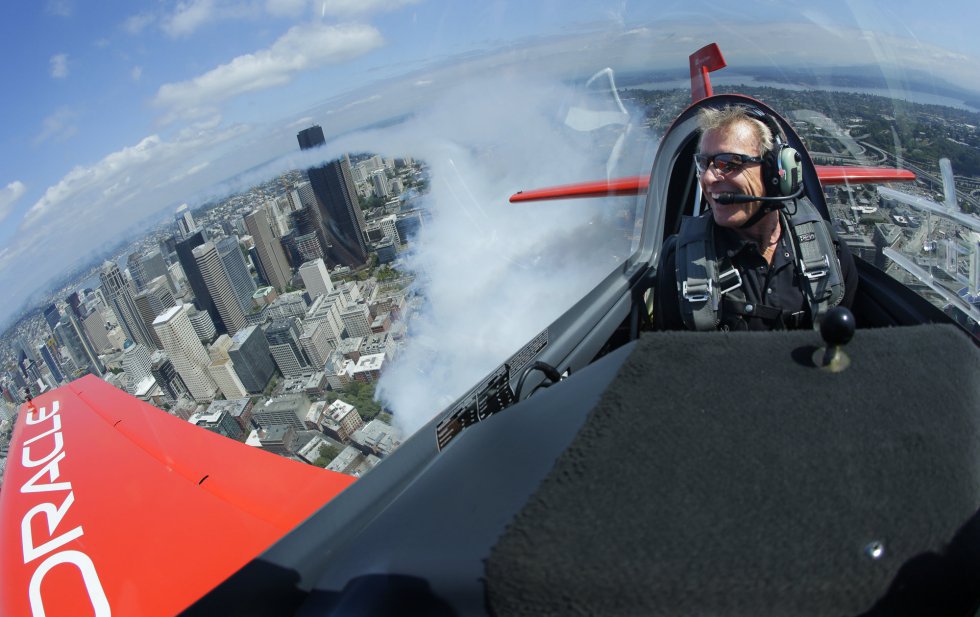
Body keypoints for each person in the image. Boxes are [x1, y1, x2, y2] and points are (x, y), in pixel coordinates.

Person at [653, 105, 857, 331]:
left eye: (728, 163)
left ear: (773, 171)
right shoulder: (680, 264)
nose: (708, 178)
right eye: (703, 163)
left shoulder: (827, 249)